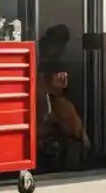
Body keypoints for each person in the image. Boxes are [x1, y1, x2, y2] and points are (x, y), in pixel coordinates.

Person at [36, 24, 90, 169]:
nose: (58, 49)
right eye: (57, 43)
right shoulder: (37, 62)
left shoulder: (56, 66)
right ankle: (83, 142)